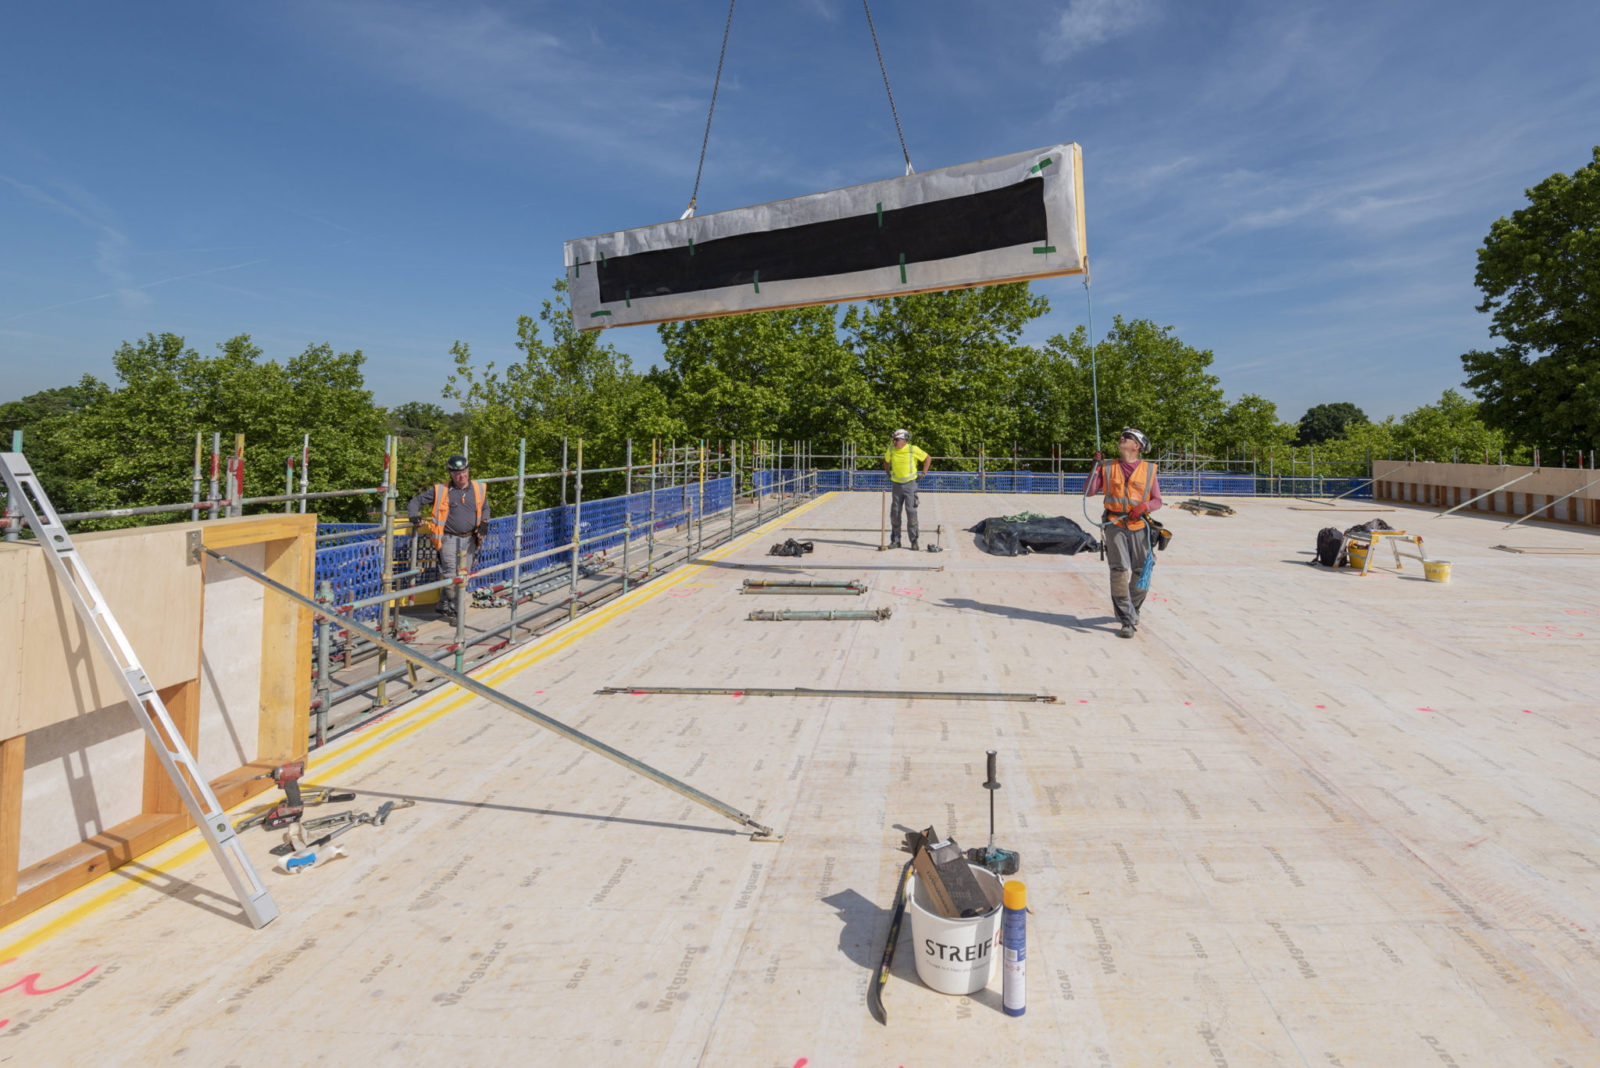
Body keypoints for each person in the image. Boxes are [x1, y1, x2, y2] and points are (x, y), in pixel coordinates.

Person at [1084, 427, 1162, 639]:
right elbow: (1088, 491)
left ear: (1137, 446)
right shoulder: (1108, 466)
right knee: (1118, 570)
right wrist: (1095, 467)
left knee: (1142, 570)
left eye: (1127, 437)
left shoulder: (1148, 469)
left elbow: (1157, 500)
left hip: (1139, 525)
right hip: (1115, 524)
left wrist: (1144, 506)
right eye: (1122, 436)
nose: (1122, 438)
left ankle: (1133, 608)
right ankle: (1127, 619)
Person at [407, 454, 490, 619]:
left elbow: (485, 507)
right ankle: (458, 612)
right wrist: (414, 516)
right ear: (450, 474)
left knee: (464, 575)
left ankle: (444, 604)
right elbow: (415, 501)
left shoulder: (478, 488)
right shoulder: (441, 490)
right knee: (451, 575)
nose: (462, 476)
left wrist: (485, 522)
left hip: (470, 539)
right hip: (448, 539)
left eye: (464, 471)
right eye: (457, 473)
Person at [881, 429, 931, 549]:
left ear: (904, 440)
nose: (894, 442)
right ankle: (896, 541)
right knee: (895, 513)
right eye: (893, 440)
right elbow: (886, 462)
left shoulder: (913, 449)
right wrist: (887, 472)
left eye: (897, 440)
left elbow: (928, 458)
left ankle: (914, 541)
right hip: (896, 486)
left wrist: (923, 473)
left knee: (911, 512)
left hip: (910, 486)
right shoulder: (891, 449)